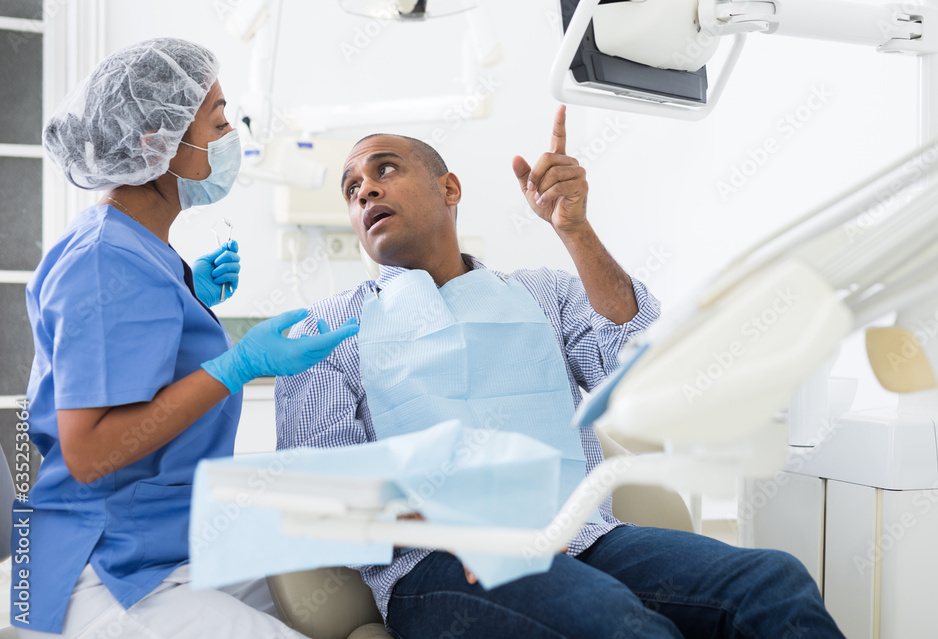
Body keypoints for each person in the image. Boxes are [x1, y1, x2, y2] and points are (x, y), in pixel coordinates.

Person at [274, 107, 845, 638]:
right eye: (352, 189)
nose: (366, 189)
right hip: (441, 565)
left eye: (385, 169)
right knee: (615, 623)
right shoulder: (320, 334)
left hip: (582, 536)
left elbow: (635, 360)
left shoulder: (541, 294)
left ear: (449, 189)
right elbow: (327, 501)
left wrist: (574, 229)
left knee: (772, 580)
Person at [16, 38, 357, 639]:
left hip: (168, 540)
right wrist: (240, 364)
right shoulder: (106, 258)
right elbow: (90, 454)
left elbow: (131, 343)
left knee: (348, 597)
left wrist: (186, 294)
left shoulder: (137, 249)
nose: (231, 141)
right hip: (103, 567)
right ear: (157, 143)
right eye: (219, 123)